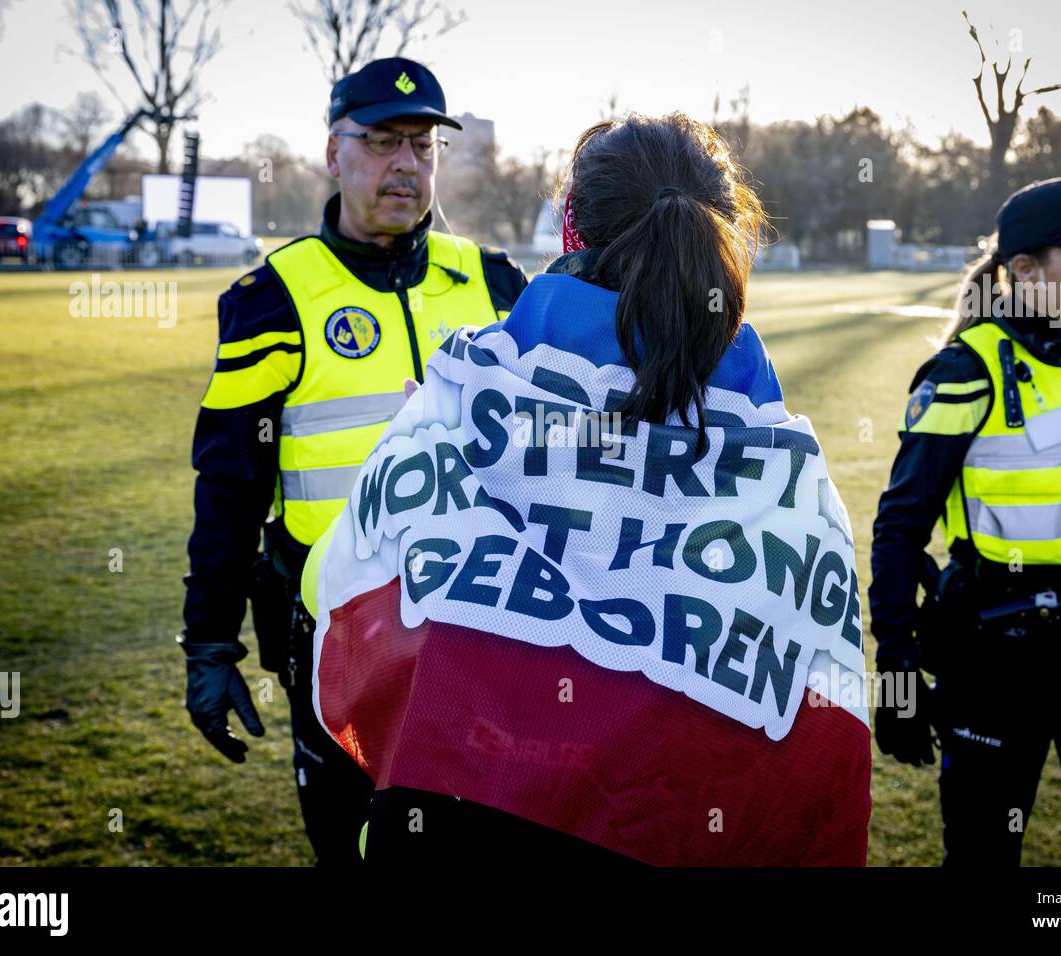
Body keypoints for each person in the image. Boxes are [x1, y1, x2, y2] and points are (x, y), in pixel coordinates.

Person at [300, 113, 872, 865]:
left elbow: (336, 595)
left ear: (571, 226)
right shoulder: (783, 455)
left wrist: (425, 468)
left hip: (461, 822)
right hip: (670, 830)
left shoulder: (468, 382)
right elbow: (811, 701)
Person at [178, 56, 528, 865]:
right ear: (334, 152)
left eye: (424, 144)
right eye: (381, 141)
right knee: (349, 849)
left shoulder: (500, 286)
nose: (406, 163)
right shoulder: (273, 296)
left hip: (477, 634)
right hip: (336, 641)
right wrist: (209, 643)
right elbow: (229, 489)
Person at [869, 177, 1061, 866]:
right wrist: (895, 675)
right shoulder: (963, 370)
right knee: (983, 853)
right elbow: (900, 527)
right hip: (997, 658)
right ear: (1022, 271)